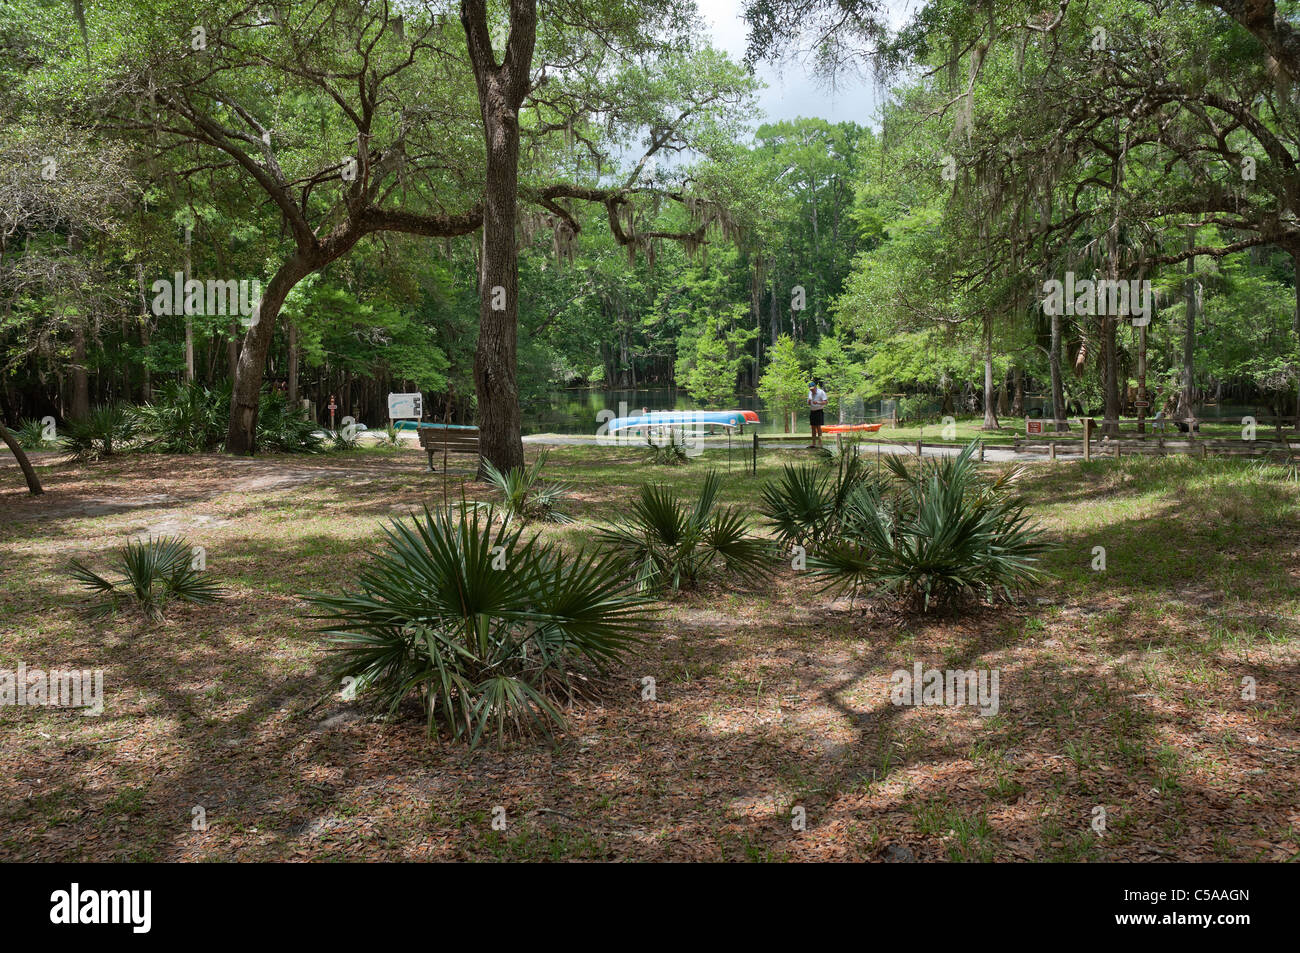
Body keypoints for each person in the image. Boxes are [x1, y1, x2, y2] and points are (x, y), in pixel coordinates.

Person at [807, 379, 828, 449]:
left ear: (815, 387)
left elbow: (825, 402)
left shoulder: (821, 392)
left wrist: (818, 402)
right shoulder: (810, 392)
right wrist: (809, 402)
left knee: (818, 427)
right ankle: (813, 443)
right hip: (812, 411)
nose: (812, 390)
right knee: (813, 427)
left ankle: (820, 443)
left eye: (813, 389)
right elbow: (809, 403)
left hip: (819, 411)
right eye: (810, 389)